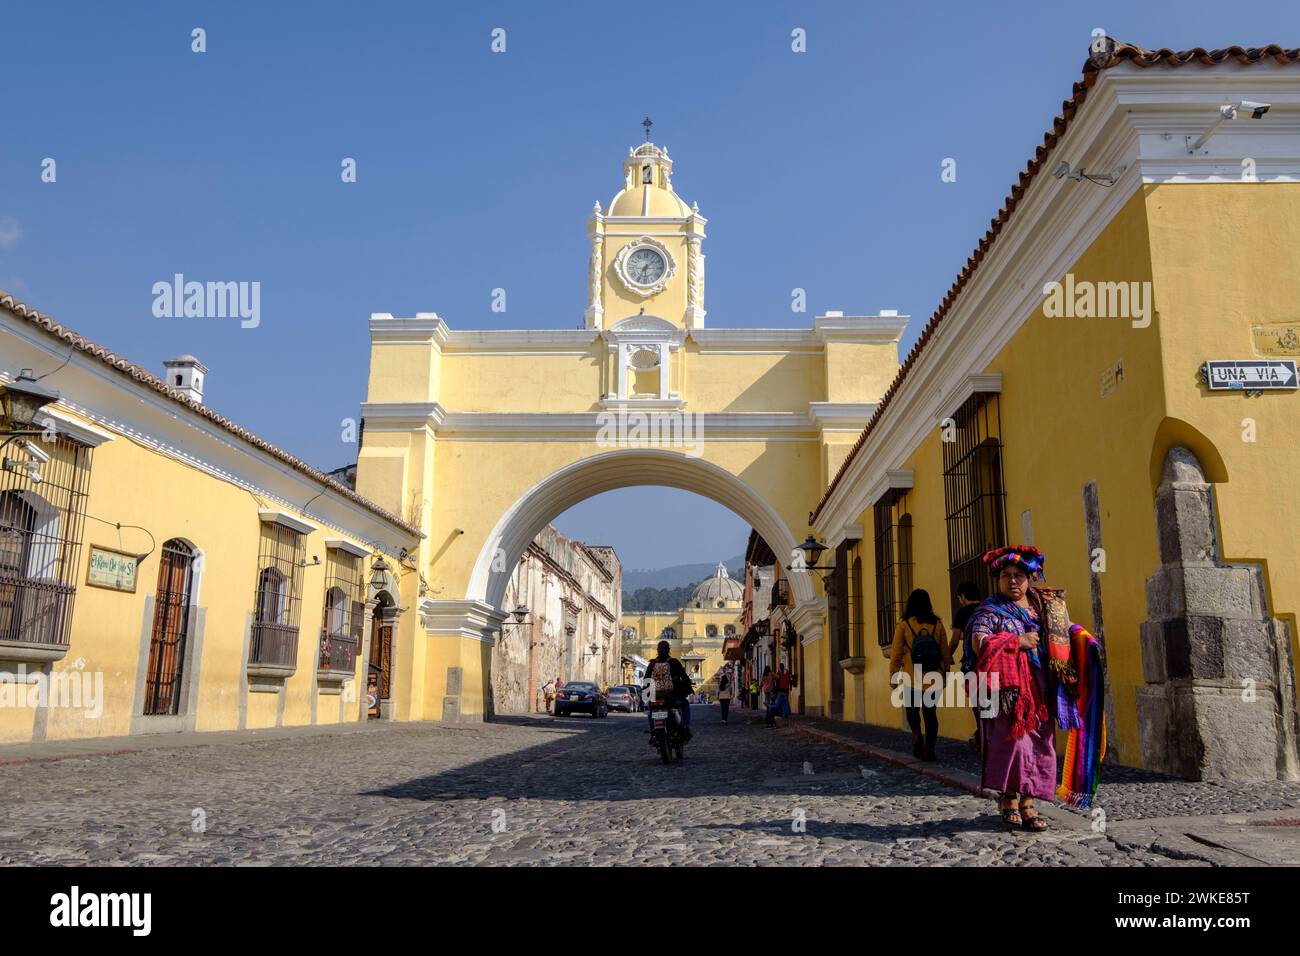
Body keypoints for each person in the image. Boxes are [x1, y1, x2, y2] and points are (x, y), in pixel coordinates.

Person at [969, 545, 1060, 833]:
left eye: (1019, 575)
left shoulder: (1043, 608)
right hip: (1007, 692)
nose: (1012, 581)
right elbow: (978, 641)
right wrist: (1015, 642)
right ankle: (1009, 798)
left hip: (1039, 688)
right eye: (1006, 575)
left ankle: (1029, 801)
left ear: (1030, 577)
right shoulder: (990, 609)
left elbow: (1063, 636)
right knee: (1013, 744)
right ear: (998, 579)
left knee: (1040, 744)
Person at [888, 588, 952, 761]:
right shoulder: (937, 624)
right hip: (934, 676)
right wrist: (947, 671)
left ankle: (916, 733)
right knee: (930, 713)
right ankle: (930, 748)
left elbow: (896, 653)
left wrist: (893, 674)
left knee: (912, 710)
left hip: (911, 675)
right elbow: (945, 651)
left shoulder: (904, 623)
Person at [948, 581, 983, 751]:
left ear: (962, 597)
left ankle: (982, 738)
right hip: (991, 660)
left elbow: (955, 640)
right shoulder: (987, 608)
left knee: (977, 703)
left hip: (971, 662)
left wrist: (946, 657)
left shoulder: (962, 612)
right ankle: (986, 737)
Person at [643, 640, 694, 741]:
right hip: (672, 695)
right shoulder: (674, 662)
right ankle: (686, 727)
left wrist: (647, 693)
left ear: (657, 651)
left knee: (651, 711)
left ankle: (653, 731)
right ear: (669, 650)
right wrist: (688, 685)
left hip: (655, 696)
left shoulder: (652, 663)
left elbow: (646, 679)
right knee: (685, 705)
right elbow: (684, 677)